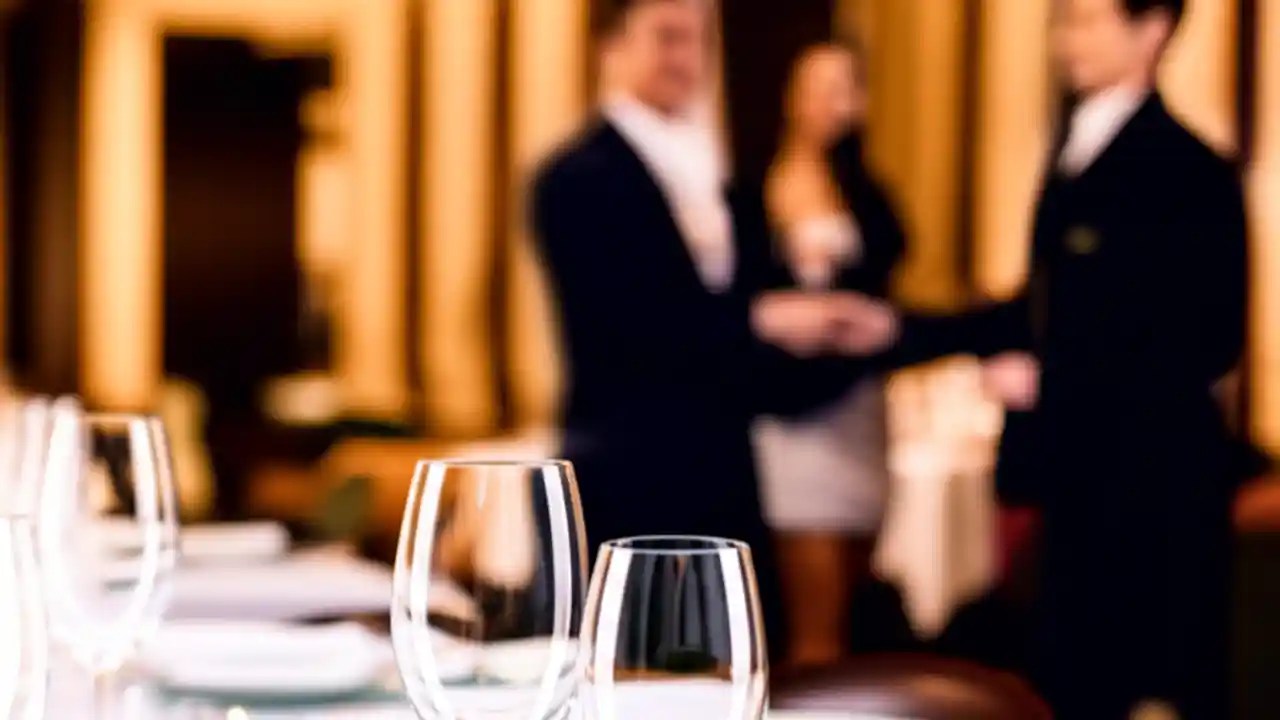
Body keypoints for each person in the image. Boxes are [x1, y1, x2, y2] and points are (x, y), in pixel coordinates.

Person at [883, 0, 1247, 716]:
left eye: (1086, 20)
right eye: (1063, 20)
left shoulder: (1190, 171)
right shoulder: (1072, 146)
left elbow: (1205, 338)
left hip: (1149, 489)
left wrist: (1057, 381)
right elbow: (1043, 307)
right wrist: (899, 334)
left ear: (1153, 30)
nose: (1065, 39)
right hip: (1073, 477)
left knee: (1136, 679)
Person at [530, 0, 897, 646]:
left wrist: (845, 339)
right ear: (611, 48)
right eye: (667, 38)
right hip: (628, 479)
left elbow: (750, 334)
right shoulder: (576, 179)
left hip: (726, 475)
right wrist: (763, 319)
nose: (686, 59)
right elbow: (630, 331)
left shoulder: (722, 179)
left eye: (698, 41)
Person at [753, 43, 906, 670]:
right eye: (818, 87)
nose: (830, 103)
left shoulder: (866, 190)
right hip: (796, 411)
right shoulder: (754, 183)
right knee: (814, 621)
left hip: (859, 402)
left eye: (844, 89)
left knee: (854, 595)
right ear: (792, 95)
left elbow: (888, 276)